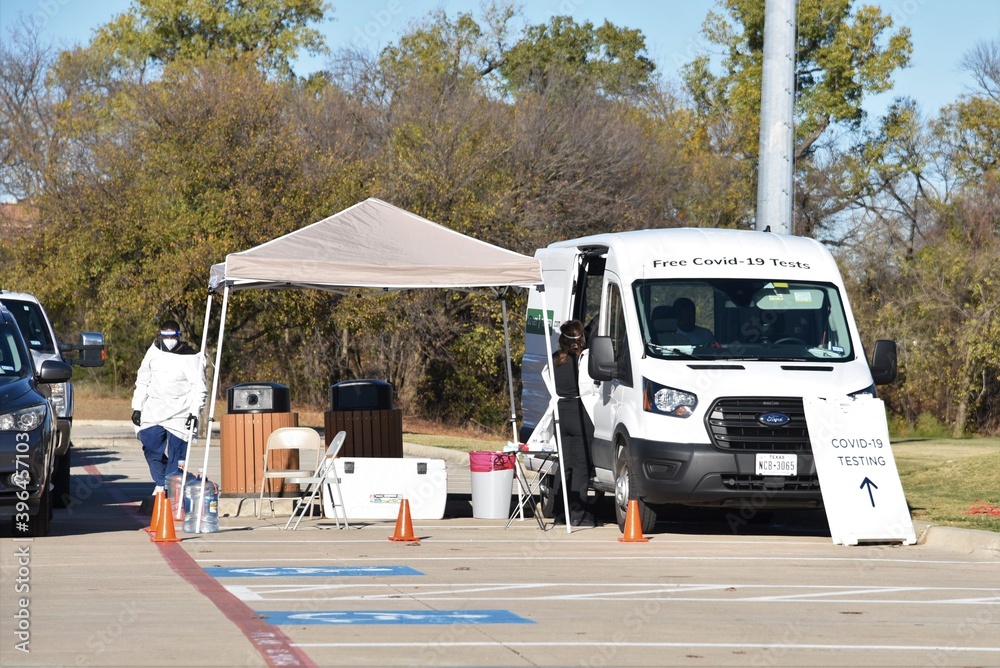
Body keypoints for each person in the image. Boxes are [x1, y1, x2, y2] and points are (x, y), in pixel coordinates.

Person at [131, 320, 207, 515]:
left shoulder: (190, 357)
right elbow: (142, 380)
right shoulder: (153, 353)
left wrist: (194, 412)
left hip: (181, 413)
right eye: (166, 337)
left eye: (173, 337)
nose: (169, 340)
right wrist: (137, 407)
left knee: (177, 457)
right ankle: (163, 482)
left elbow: (199, 388)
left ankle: (169, 492)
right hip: (154, 410)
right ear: (160, 336)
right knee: (150, 447)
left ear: (179, 336)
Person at [550, 319, 600, 527]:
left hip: (560, 414)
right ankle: (577, 511)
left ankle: (560, 511)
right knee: (581, 466)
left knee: (565, 465)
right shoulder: (585, 360)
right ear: (581, 339)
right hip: (581, 415)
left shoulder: (555, 360)